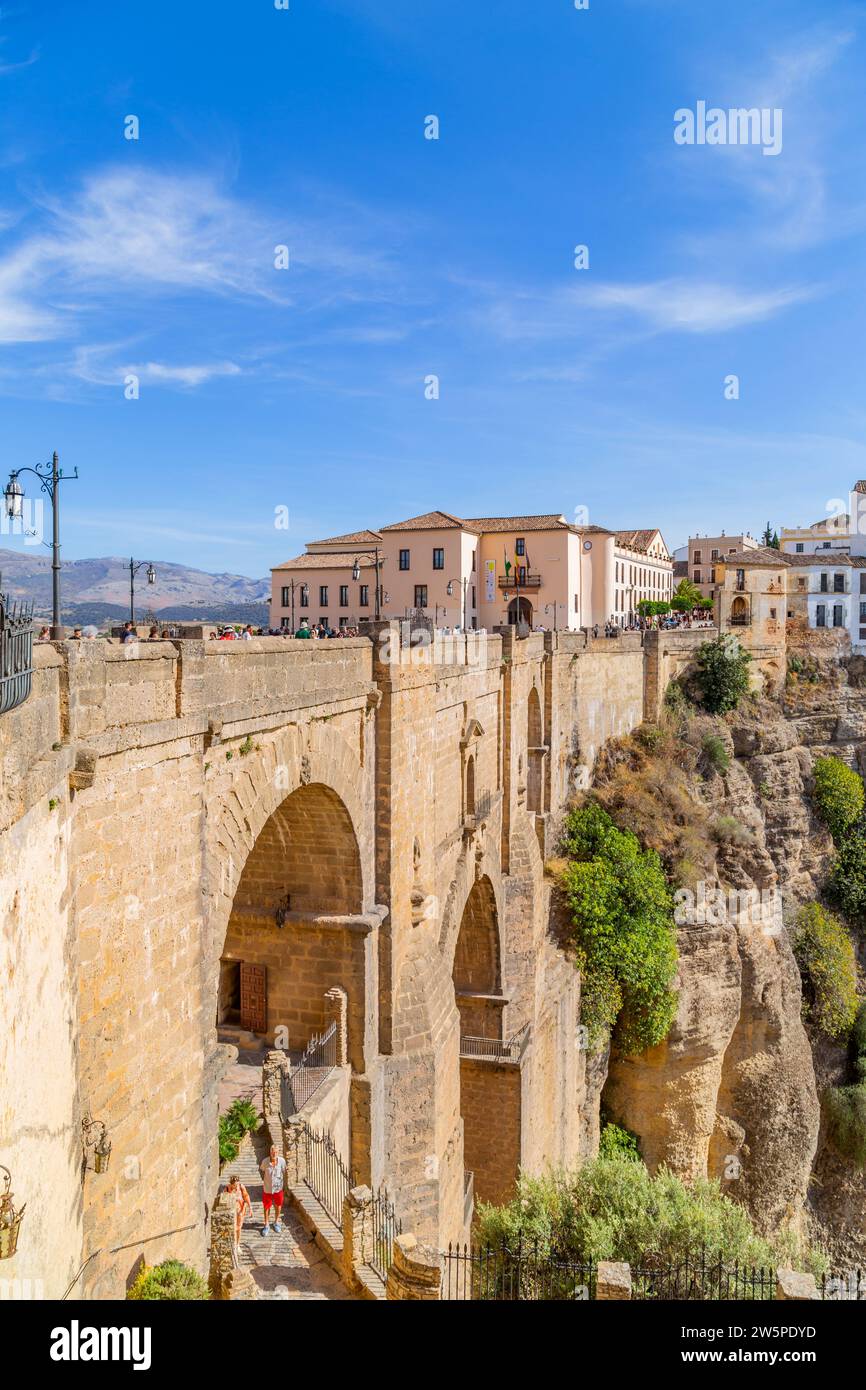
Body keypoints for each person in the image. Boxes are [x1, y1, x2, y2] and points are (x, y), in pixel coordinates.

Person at [259, 1143, 288, 1236]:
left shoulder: (282, 1161)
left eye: (276, 1152)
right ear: (270, 1152)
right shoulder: (265, 1161)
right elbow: (262, 1170)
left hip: (278, 1189)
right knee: (266, 1207)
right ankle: (266, 1224)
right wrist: (265, 1180)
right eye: (272, 1152)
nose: (274, 1154)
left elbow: (284, 1171)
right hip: (267, 1188)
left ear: (278, 1152)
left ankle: (276, 1222)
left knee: (278, 1205)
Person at [224, 1172, 251, 1250]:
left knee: (238, 1228)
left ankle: (237, 1245)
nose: (236, 1187)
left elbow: (246, 1198)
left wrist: (248, 1208)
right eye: (234, 1185)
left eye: (237, 1185)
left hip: (240, 1211)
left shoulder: (241, 1187)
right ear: (231, 1184)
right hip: (231, 1211)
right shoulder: (227, 1189)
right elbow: (224, 1200)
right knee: (232, 1228)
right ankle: (232, 1243)